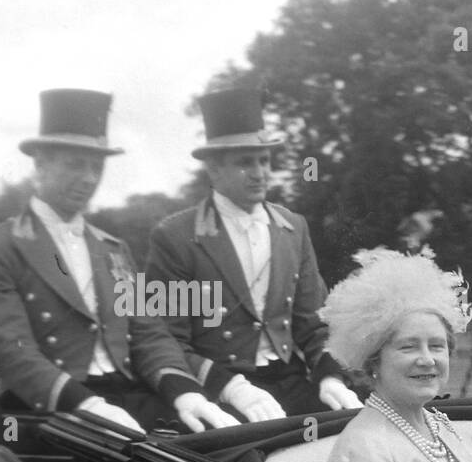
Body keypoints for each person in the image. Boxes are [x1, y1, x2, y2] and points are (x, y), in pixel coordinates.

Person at [0, 88, 235, 433]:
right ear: (41, 163)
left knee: (228, 441)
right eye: (75, 164)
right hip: (49, 411)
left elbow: (148, 335)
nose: (90, 178)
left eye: (97, 166)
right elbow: (13, 353)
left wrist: (185, 393)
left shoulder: (113, 250)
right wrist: (88, 405)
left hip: (124, 396)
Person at [146, 86, 362, 422]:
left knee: (361, 436)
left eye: (264, 160)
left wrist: (330, 374)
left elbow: (314, 323)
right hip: (221, 391)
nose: (260, 172)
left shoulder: (293, 228)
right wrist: (231, 388)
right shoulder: (176, 237)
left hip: (292, 382)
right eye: (246, 162)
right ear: (214, 170)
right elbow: (168, 338)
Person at [317, 249, 472, 462]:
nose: (427, 360)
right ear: (374, 361)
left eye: (436, 346)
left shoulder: (440, 426)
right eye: (408, 347)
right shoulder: (366, 448)